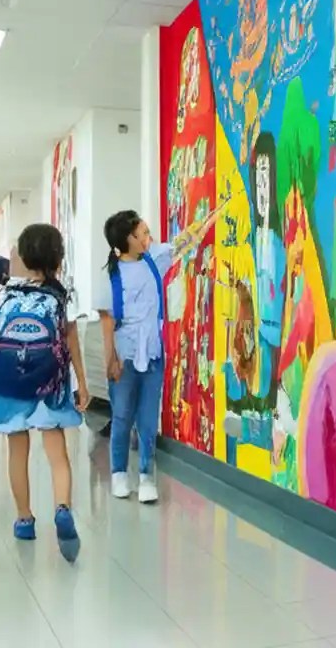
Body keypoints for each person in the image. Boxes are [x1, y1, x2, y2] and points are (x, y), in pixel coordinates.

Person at [94, 209, 219, 503]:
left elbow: (183, 242)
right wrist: (109, 359)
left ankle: (147, 476)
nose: (150, 237)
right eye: (145, 233)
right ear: (130, 239)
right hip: (124, 356)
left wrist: (209, 219)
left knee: (149, 419)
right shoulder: (111, 277)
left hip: (152, 355)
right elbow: (107, 322)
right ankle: (118, 474)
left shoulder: (154, 261)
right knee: (122, 415)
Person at [0, 224, 90, 562]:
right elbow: (71, 342)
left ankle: (25, 519)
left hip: (11, 384)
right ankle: (61, 507)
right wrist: (83, 384)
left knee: (18, 452)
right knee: (57, 455)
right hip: (50, 382)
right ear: (56, 258)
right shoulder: (59, 295)